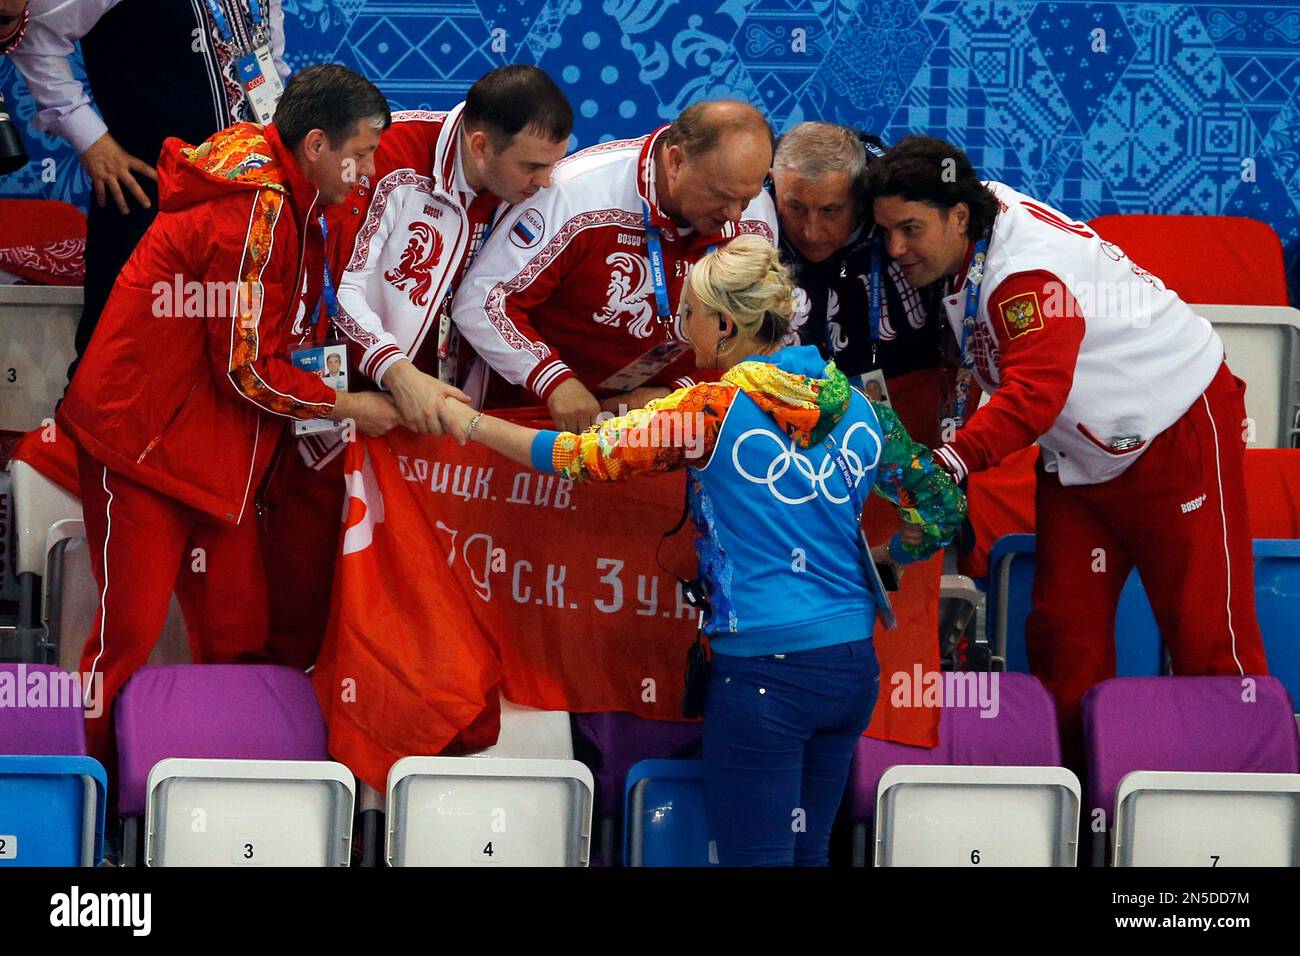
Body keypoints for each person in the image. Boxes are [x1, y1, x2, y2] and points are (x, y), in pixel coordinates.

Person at [437, 235, 966, 865]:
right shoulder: (859, 405)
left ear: (724, 324)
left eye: (687, 311)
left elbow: (581, 457)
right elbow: (939, 507)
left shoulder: (711, 410)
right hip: (852, 668)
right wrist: (890, 560)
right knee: (810, 855)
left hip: (766, 673)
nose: (678, 324)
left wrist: (469, 424)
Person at [867, 135, 1270, 761]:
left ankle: (1241, 801)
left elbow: (1033, 395)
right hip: (1082, 453)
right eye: (886, 231)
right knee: (1064, 634)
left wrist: (950, 460)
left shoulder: (1024, 278)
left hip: (1177, 430)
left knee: (1210, 636)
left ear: (958, 217)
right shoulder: (975, 215)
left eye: (909, 229)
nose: (895, 249)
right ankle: (1079, 804)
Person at [55, 65, 405, 757]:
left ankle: (222, 798)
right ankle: (77, 797)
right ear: (313, 145)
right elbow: (245, 370)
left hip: (213, 454)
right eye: (360, 153)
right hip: (141, 449)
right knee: (122, 641)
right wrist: (349, 406)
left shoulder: (294, 197)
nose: (367, 170)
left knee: (239, 638)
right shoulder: (256, 209)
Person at [258, 65, 572, 671]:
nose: (545, 181)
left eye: (553, 164)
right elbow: (338, 287)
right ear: (480, 145)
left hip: (440, 431)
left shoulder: (536, 193)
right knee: (309, 583)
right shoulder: (391, 158)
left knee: (418, 602)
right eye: (532, 166)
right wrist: (395, 371)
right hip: (345, 410)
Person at [452, 99, 779, 433]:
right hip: (541, 422)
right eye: (721, 196)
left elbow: (756, 336)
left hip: (661, 426)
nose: (735, 214)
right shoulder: (579, 193)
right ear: (676, 160)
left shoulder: (755, 217)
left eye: (748, 198)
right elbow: (483, 300)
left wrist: (677, 392)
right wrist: (552, 378)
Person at [10, 0, 291, 384]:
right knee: (118, 358)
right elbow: (37, 32)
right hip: (150, 196)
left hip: (247, 197)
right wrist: (89, 138)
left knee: (231, 357)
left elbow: (269, 61)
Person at [769, 122, 946, 413]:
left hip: (909, 404)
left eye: (830, 211)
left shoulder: (908, 208)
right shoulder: (746, 217)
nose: (811, 232)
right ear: (773, 181)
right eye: (796, 208)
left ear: (860, 199)